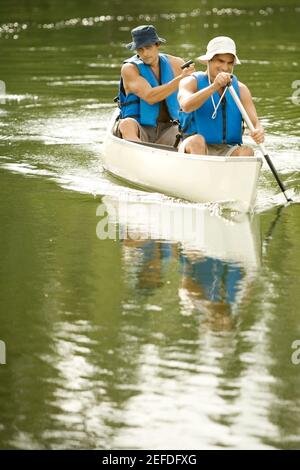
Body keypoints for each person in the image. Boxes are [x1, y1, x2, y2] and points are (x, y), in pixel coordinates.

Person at [178, 36, 265, 156]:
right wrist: (214, 86)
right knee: (197, 141)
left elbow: (255, 122)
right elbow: (186, 106)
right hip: (193, 145)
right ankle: (199, 173)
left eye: (229, 63)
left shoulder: (241, 89)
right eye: (220, 61)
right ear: (209, 60)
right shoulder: (190, 82)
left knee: (247, 151)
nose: (225, 68)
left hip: (227, 149)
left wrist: (259, 130)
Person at [115, 24, 195, 145]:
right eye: (140, 49)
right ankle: (137, 155)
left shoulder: (176, 64)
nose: (145, 53)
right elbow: (150, 97)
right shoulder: (129, 69)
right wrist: (180, 79)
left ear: (157, 45)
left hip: (169, 128)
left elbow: (194, 93)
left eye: (148, 47)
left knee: (191, 133)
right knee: (126, 124)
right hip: (140, 128)